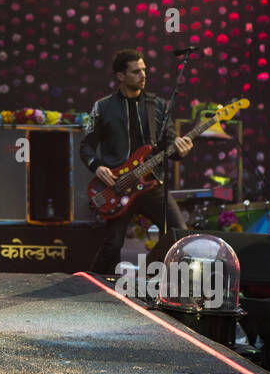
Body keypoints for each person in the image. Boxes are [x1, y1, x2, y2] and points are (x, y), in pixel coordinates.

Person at [79, 49, 195, 274]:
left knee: (179, 234)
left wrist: (181, 150)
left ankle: (147, 275)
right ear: (121, 76)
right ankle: (91, 285)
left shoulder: (158, 106)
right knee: (112, 245)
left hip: (151, 184)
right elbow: (86, 146)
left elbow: (169, 146)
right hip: (118, 186)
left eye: (144, 70)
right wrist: (97, 166)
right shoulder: (102, 107)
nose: (143, 75)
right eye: (136, 71)